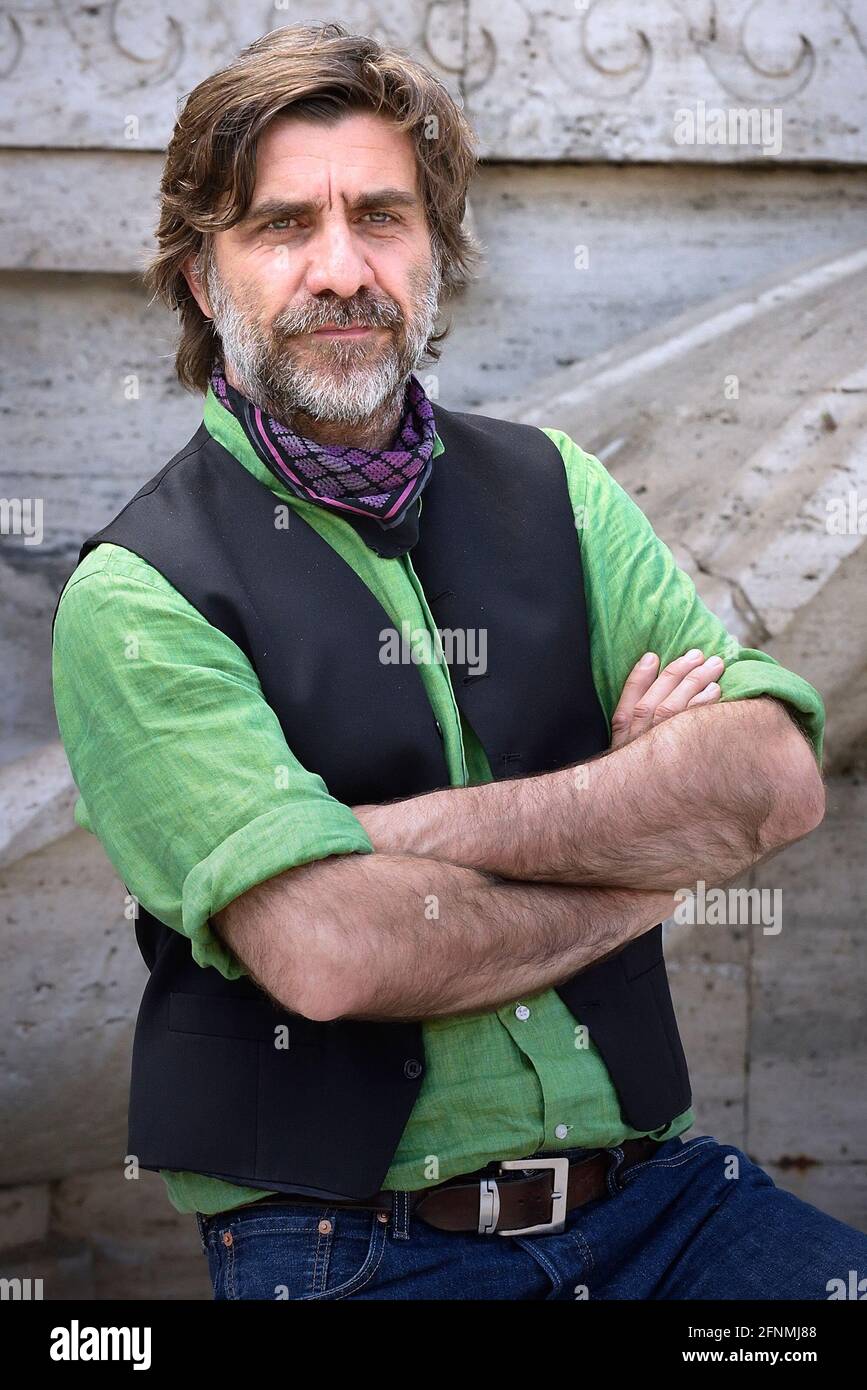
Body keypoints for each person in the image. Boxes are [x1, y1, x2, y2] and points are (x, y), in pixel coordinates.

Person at [50, 22, 864, 1301]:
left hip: (663, 1205)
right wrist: (643, 858)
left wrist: (402, 834)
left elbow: (771, 773)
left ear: (435, 254)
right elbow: (335, 953)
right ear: (205, 282)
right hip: (356, 1248)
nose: (342, 268)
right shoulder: (139, 596)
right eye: (280, 228)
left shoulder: (561, 491)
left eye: (382, 216)